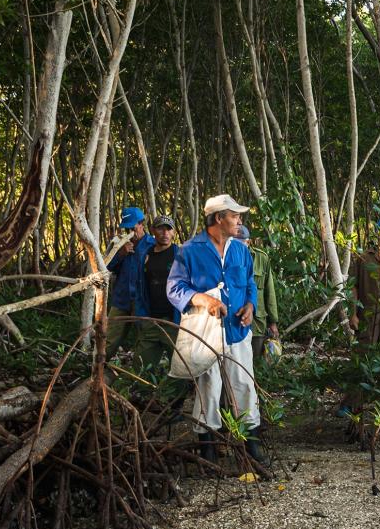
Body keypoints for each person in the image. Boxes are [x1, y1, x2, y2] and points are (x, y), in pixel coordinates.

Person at [167, 194, 264, 465]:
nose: (239, 220)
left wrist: (250, 306)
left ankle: (249, 447)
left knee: (244, 384)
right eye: (234, 216)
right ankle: (207, 448)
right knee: (209, 387)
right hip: (207, 332)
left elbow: (249, 284)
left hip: (237, 330)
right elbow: (174, 288)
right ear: (218, 218)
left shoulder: (240, 250)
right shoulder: (189, 250)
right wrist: (204, 299)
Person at [337, 218, 380, 417]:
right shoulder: (363, 258)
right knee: (362, 358)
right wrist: (353, 313)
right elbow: (353, 287)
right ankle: (350, 404)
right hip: (368, 315)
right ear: (379, 234)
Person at [132, 215, 182, 373]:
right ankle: (141, 395)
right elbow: (139, 286)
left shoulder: (180, 255)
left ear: (173, 232)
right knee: (141, 367)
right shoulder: (145, 255)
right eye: (160, 228)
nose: (165, 233)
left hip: (173, 321)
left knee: (179, 367)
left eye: (169, 229)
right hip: (150, 320)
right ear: (153, 230)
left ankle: (176, 397)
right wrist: (141, 316)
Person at [106, 207, 155, 360]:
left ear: (142, 224)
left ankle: (140, 373)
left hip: (143, 300)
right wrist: (121, 253)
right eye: (127, 228)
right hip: (121, 299)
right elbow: (106, 267)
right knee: (110, 338)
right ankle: (98, 369)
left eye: (133, 227)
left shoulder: (152, 245)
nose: (130, 231)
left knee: (145, 339)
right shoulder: (119, 245)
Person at [235, 225, 279, 362]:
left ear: (248, 242)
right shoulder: (225, 257)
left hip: (257, 321)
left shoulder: (261, 258)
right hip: (235, 319)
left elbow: (269, 291)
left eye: (241, 243)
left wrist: (273, 322)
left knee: (257, 361)